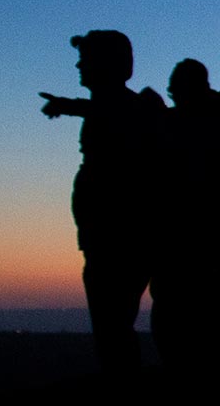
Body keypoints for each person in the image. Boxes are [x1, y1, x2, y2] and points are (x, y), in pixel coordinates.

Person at [40, 30, 165, 373]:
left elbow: (111, 110)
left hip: (116, 241)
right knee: (114, 327)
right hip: (106, 239)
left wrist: (69, 107)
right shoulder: (123, 108)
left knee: (113, 327)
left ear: (109, 65)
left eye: (87, 58)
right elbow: (104, 108)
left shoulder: (127, 110)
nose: (79, 65)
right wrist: (69, 106)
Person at [151, 59, 220, 368]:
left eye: (175, 87)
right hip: (192, 234)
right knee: (191, 317)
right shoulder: (217, 120)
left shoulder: (210, 124)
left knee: (195, 317)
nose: (172, 93)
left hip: (196, 234)